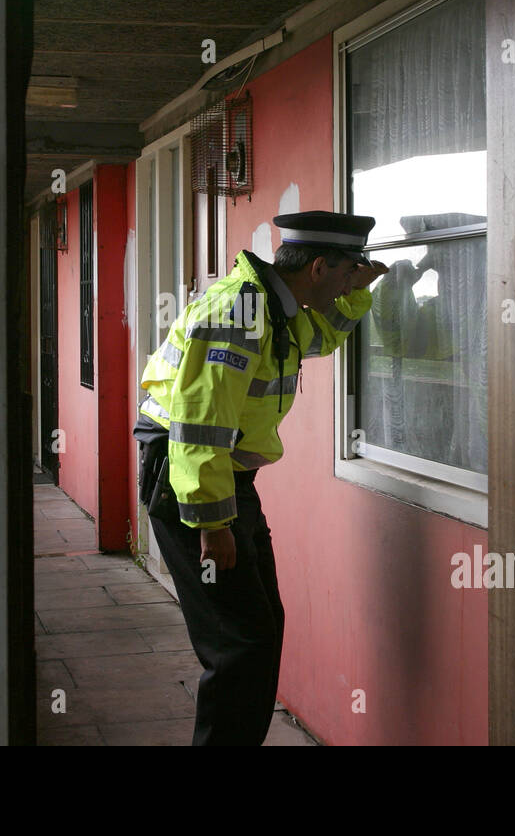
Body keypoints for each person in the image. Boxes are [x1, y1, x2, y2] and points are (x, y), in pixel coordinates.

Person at [134, 211, 387, 745]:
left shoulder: (276, 307)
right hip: (191, 479)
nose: (347, 285)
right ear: (319, 267)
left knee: (260, 630)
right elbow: (199, 421)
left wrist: (357, 293)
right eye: (345, 276)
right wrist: (212, 521)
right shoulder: (239, 311)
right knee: (240, 642)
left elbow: (322, 337)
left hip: (222, 481)